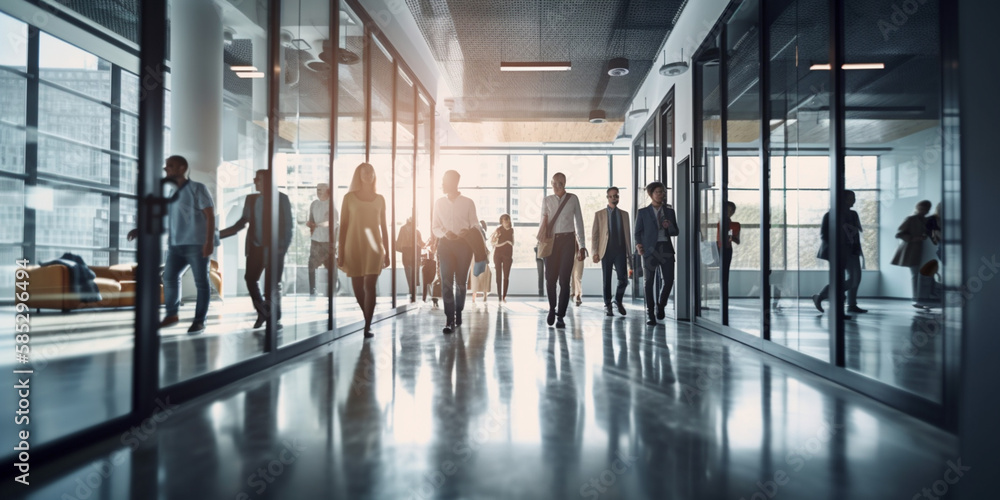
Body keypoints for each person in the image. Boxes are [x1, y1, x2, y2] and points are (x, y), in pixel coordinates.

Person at [135, 155, 217, 334]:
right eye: (166, 166)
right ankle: (172, 315)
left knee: (201, 283)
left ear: (182, 169)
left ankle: (199, 321)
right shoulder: (172, 193)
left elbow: (209, 215)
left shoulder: (198, 188)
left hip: (196, 245)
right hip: (176, 246)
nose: (166, 169)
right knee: (169, 277)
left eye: (170, 166)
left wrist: (209, 242)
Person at [220, 169, 294, 329]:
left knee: (272, 285)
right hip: (255, 247)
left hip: (275, 249)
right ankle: (262, 311)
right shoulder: (251, 199)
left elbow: (289, 226)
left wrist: (282, 247)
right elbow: (242, 223)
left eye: (258, 179)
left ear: (267, 181)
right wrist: (217, 235)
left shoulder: (281, 199)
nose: (254, 181)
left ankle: (274, 318)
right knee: (250, 279)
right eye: (254, 178)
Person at [337, 163, 390, 338]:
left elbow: (384, 227)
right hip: (353, 246)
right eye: (364, 172)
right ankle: (367, 316)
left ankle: (367, 325)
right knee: (358, 287)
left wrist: (388, 252)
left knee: (370, 285)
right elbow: (343, 226)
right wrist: (340, 252)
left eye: (371, 172)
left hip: (374, 248)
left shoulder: (380, 199)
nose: (368, 175)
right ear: (358, 176)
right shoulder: (349, 198)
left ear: (374, 175)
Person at [432, 170, 480, 334]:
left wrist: (468, 231)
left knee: (460, 282)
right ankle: (449, 319)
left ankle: (458, 311)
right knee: (446, 280)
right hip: (445, 244)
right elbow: (435, 227)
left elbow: (475, 224)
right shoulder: (439, 203)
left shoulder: (468, 202)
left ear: (455, 182)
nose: (443, 184)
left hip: (463, 245)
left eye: (446, 181)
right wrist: (445, 233)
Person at [540, 172, 587, 329]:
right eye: (553, 183)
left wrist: (582, 245)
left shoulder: (573, 199)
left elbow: (579, 222)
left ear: (565, 183)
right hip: (551, 241)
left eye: (559, 182)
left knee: (565, 280)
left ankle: (561, 315)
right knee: (550, 279)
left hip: (568, 241)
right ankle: (552, 309)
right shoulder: (546, 200)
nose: (556, 186)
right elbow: (543, 222)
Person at [810, 190, 865, 316]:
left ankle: (848, 304)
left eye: (854, 197)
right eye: (851, 198)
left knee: (855, 279)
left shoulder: (853, 214)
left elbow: (856, 233)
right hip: (838, 252)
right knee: (843, 280)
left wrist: (857, 249)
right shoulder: (830, 215)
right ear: (843, 199)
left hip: (852, 251)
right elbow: (824, 235)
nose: (854, 200)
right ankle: (831, 302)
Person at [634, 182, 678, 326]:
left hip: (666, 249)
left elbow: (675, 232)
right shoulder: (643, 212)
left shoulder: (670, 211)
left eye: (663, 192)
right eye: (658, 192)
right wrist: (639, 245)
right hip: (649, 250)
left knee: (669, 280)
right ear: (651, 194)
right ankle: (650, 313)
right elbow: (637, 232)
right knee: (649, 282)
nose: (661, 194)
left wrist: (669, 225)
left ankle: (661, 305)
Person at [591, 186, 631, 317]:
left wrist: (629, 254)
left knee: (623, 279)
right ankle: (607, 304)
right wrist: (595, 252)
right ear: (607, 197)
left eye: (616, 196)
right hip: (606, 251)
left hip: (620, 251)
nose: (614, 198)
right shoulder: (599, 214)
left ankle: (617, 300)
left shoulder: (624, 215)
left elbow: (627, 235)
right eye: (612, 196)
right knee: (606, 279)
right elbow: (595, 235)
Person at [891, 200, 932, 304]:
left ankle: (921, 298)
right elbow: (898, 234)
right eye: (921, 209)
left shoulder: (927, 220)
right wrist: (913, 238)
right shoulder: (911, 219)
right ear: (917, 208)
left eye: (926, 209)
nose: (923, 211)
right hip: (912, 250)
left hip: (925, 250)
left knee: (922, 274)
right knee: (916, 274)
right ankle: (917, 298)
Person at [306, 183, 337, 299]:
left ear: (327, 191)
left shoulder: (331, 205)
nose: (318, 192)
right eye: (317, 189)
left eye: (321, 190)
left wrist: (317, 225)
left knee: (331, 268)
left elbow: (332, 222)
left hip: (327, 242)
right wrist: (310, 224)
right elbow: (311, 220)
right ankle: (312, 291)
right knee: (311, 266)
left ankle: (332, 293)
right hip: (315, 241)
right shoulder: (314, 204)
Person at [395, 216, 424, 302]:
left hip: (406, 251)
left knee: (409, 272)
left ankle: (412, 291)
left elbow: (399, 243)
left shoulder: (403, 229)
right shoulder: (416, 231)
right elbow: (421, 243)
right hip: (413, 251)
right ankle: (413, 291)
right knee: (414, 272)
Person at [490, 214, 514, 303]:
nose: (506, 222)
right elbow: (494, 244)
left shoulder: (511, 230)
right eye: (504, 221)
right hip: (498, 255)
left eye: (508, 220)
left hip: (508, 255)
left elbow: (512, 243)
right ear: (501, 221)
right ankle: (499, 296)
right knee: (498, 275)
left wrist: (508, 242)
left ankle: (504, 296)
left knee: (506, 276)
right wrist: (506, 242)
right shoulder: (498, 230)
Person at [718, 201, 741, 287]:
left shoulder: (735, 225)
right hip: (718, 248)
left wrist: (732, 237)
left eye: (732, 210)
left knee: (725, 271)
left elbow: (738, 241)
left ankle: (724, 289)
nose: (730, 212)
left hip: (727, 249)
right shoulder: (720, 223)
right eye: (728, 210)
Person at [469, 220, 492, 304]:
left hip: (475, 255)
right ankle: (484, 295)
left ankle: (474, 297)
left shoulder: (476, 232)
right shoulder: (482, 232)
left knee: (475, 275)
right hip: (482, 255)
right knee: (484, 275)